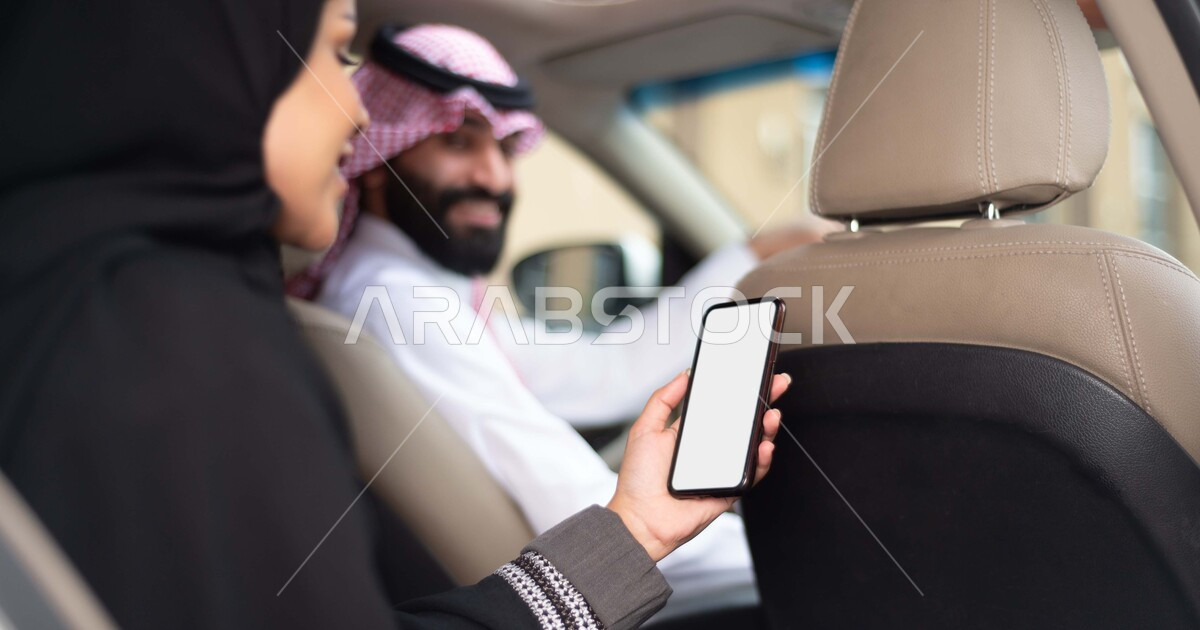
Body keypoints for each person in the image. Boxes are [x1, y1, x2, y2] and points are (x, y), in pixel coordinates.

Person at [0, 1, 791, 628]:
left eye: (502, 146)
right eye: (333, 54)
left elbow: (585, 370)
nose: (351, 120)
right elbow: (557, 470)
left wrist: (643, 525)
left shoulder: (143, 310)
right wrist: (802, 562)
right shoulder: (183, 339)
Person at [291, 23, 825, 614]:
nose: (494, 178)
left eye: (503, 147)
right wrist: (802, 561)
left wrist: (750, 258)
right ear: (378, 155)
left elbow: (607, 369)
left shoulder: (407, 293)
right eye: (458, 143)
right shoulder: (398, 302)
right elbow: (577, 505)